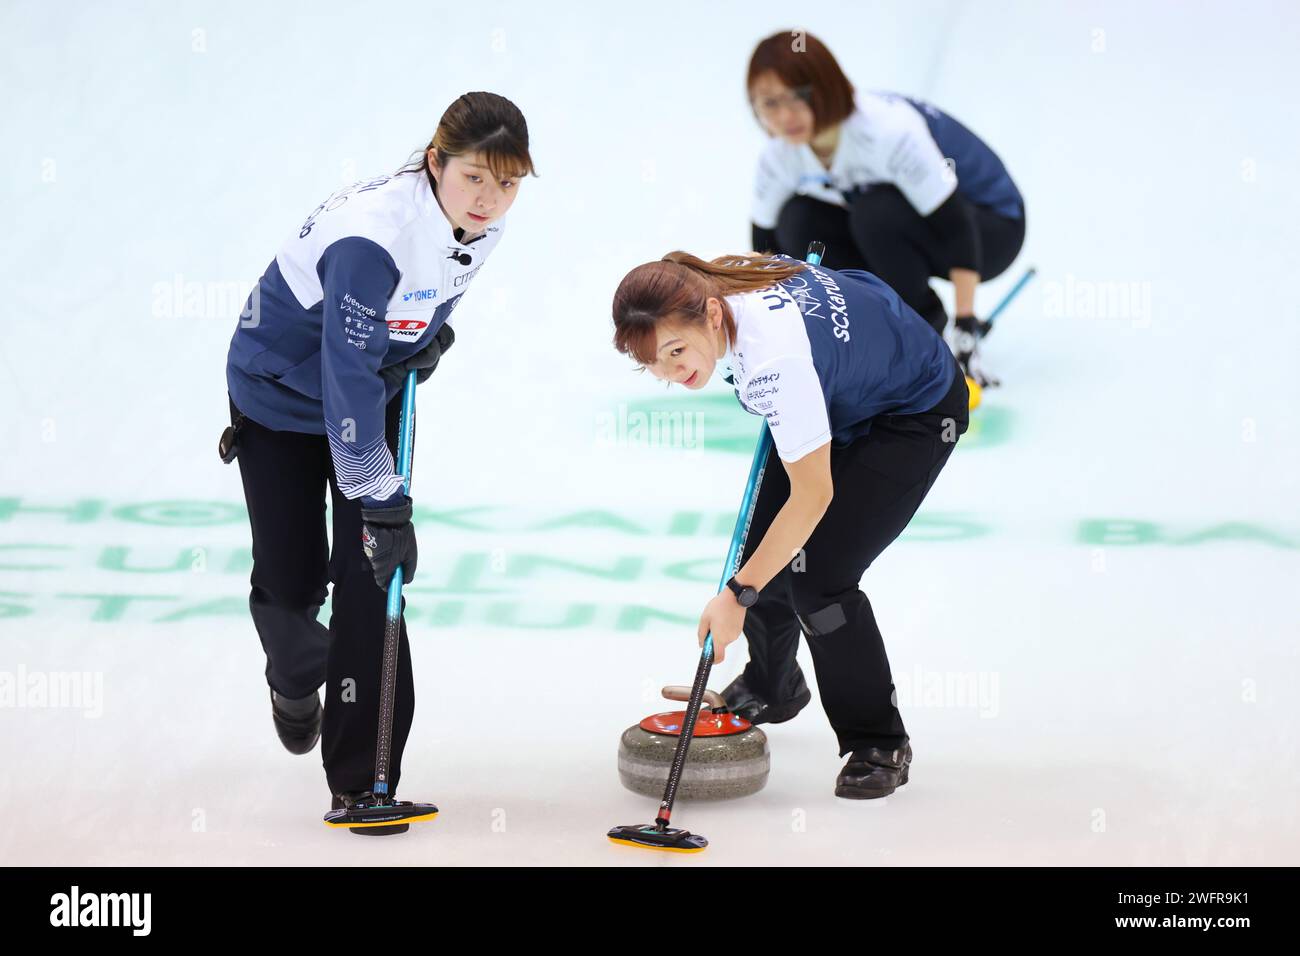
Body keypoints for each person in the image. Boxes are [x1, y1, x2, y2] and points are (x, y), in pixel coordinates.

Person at [222, 91, 534, 832]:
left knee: (372, 572)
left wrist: (420, 341)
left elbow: (420, 306)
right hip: (283, 394)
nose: (490, 200)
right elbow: (342, 367)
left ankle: (361, 781)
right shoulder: (371, 239)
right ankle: (297, 677)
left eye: (510, 182)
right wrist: (380, 492)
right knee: (291, 579)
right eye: (475, 179)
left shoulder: (478, 225)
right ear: (435, 162)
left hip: (367, 383)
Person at [611, 251, 968, 797]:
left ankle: (879, 739)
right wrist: (747, 581)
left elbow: (812, 496)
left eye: (677, 352)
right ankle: (773, 683)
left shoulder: (773, 363)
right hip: (845, 382)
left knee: (819, 578)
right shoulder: (718, 279)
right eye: (654, 364)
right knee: (765, 548)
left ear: (711, 315)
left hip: (912, 409)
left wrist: (735, 596)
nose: (672, 375)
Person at [746, 30, 1025, 384]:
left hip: (991, 228)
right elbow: (763, 248)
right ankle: (868, 331)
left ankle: (928, 327)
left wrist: (965, 328)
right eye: (770, 103)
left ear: (828, 86)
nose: (786, 115)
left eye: (799, 97)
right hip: (916, 223)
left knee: (876, 212)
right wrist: (762, 336)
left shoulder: (884, 130)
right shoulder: (779, 155)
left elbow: (956, 225)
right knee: (798, 221)